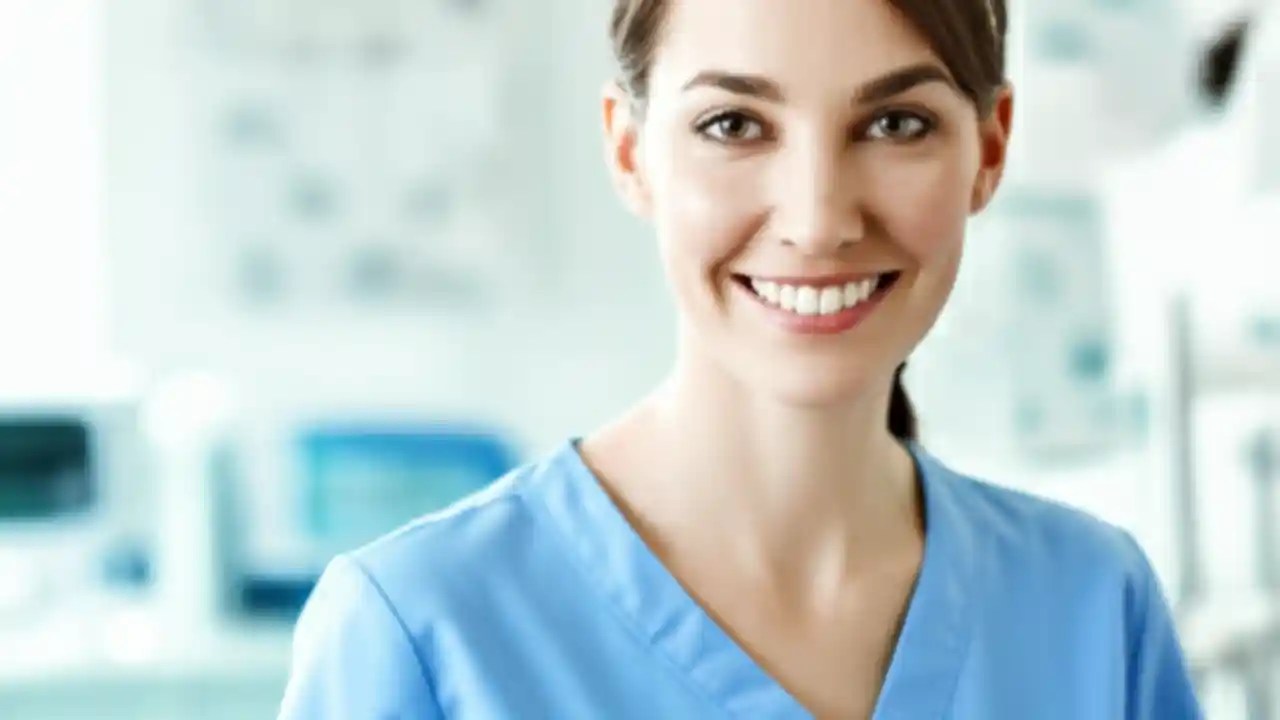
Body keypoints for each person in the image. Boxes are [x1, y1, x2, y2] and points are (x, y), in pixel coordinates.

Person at [278, 0, 1204, 717]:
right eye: (734, 125)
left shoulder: (1091, 607)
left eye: (895, 125)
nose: (817, 219)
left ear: (990, 149)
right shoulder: (420, 631)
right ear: (631, 150)